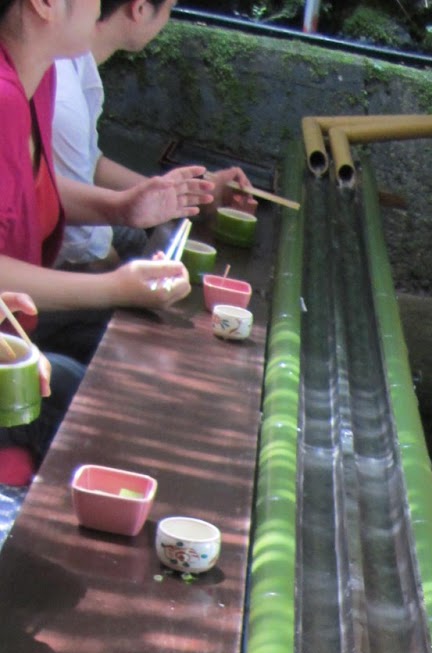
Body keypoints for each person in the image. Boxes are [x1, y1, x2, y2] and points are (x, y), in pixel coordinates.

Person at [0, 0, 204, 461]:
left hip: (13, 314)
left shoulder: (42, 76)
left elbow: (26, 191)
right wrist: (114, 287)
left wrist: (122, 208)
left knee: (136, 338)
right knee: (71, 386)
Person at [54, 0, 254, 269]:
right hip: (46, 262)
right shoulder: (63, 94)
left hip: (69, 237)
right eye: (170, 6)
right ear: (140, 9)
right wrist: (126, 287)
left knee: (140, 238)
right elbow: (84, 246)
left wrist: (187, 195)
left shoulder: (77, 69)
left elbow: (90, 162)